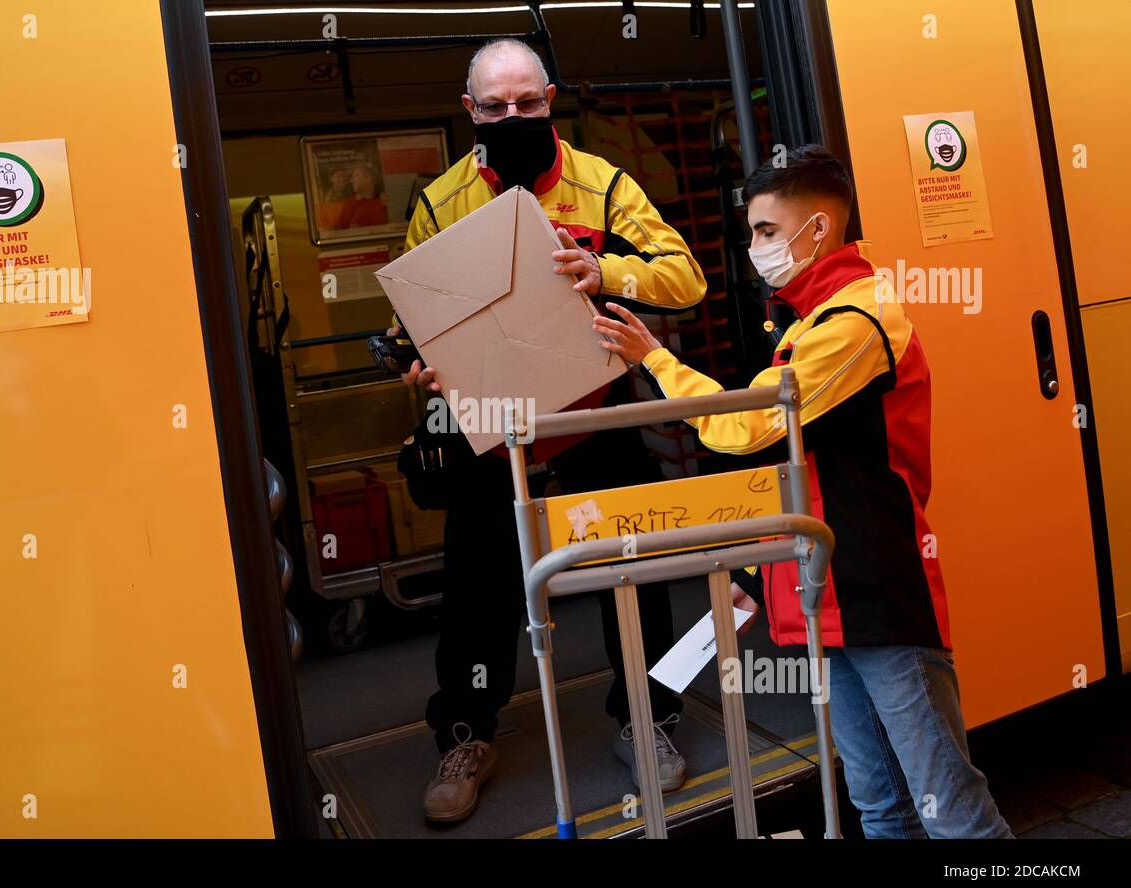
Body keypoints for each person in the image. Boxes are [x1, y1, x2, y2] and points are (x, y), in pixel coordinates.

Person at [591, 144, 1013, 839]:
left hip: (875, 590)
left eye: (765, 231)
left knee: (953, 810)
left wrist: (657, 360)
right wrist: (762, 565)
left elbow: (752, 426)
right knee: (880, 804)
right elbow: (806, 462)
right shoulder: (813, 320)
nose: (754, 247)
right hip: (829, 588)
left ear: (816, 229)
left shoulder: (855, 321)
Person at [386, 38, 708, 824]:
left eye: (526, 103)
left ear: (550, 98)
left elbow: (687, 277)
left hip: (597, 410)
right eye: (494, 107)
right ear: (470, 111)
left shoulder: (607, 185)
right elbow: (409, 321)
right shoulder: (440, 199)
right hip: (493, 426)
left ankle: (648, 718)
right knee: (476, 585)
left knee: (631, 568)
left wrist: (609, 272)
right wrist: (418, 366)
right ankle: (465, 732)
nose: (512, 116)